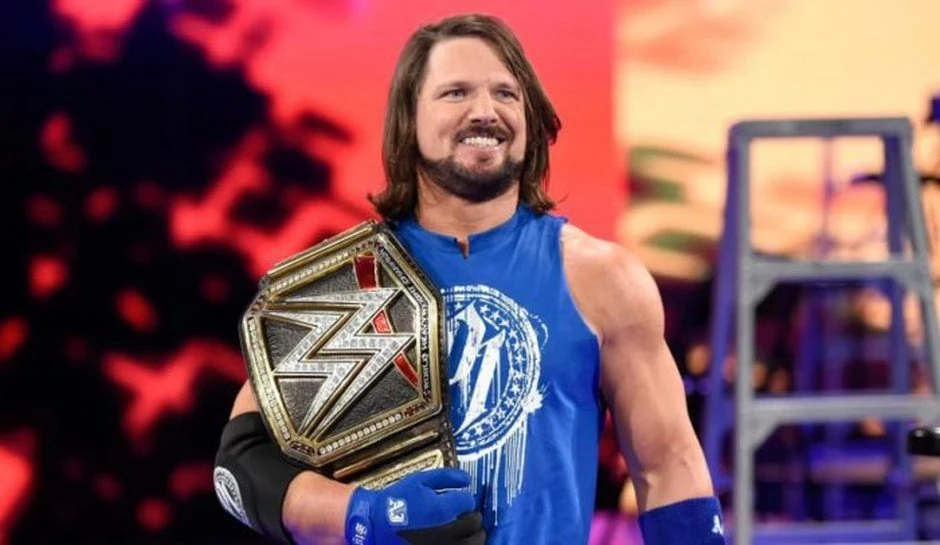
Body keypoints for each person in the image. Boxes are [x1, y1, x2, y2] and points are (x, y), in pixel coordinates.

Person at [213, 13, 724, 545]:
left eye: (506, 94)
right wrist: (366, 514)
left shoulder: (602, 279)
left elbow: (670, 466)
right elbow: (240, 466)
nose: (485, 111)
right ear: (410, 120)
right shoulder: (352, 283)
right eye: (455, 93)